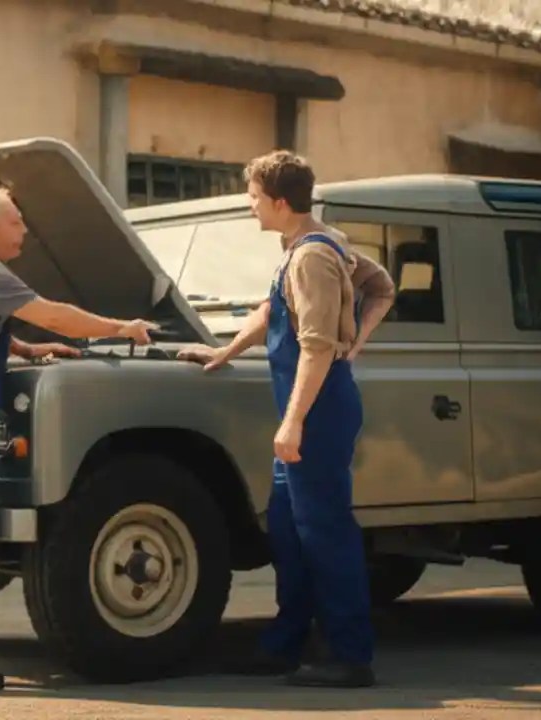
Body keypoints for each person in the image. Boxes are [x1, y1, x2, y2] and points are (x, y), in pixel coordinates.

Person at [0, 185, 159, 694]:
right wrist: (122, 327)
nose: (24, 230)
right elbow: (54, 312)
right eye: (16, 221)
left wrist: (26, 349)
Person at [178, 150, 395, 688]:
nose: (250, 207)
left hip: (318, 407)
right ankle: (285, 644)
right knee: (288, 531)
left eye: (253, 198)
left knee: (325, 531)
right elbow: (277, 310)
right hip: (310, 405)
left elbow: (318, 347)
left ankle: (350, 655)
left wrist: (294, 420)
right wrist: (223, 353)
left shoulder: (312, 258)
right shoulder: (308, 245)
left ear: (278, 202)